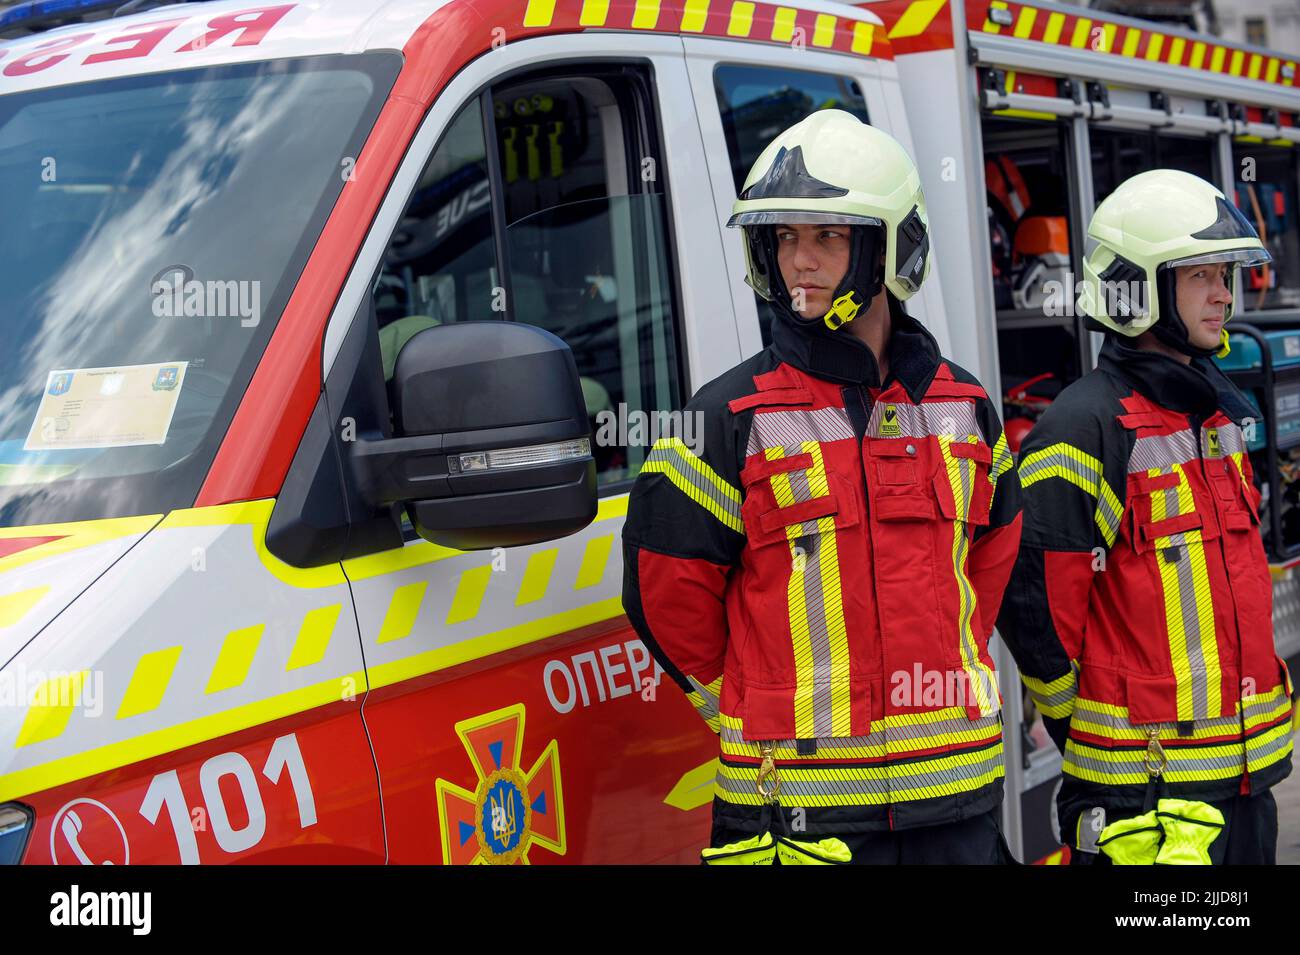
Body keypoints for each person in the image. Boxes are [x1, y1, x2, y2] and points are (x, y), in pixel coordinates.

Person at [620, 110, 1022, 865]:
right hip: (796, 816)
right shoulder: (720, 419)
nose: (800, 260)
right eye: (785, 238)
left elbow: (990, 563)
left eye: (828, 236)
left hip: (955, 809)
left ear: (888, 247)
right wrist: (754, 704)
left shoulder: (964, 408)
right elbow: (664, 594)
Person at [998, 169, 1294, 865]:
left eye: (1225, 274)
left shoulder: (1212, 412)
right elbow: (1036, 609)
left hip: (1242, 788)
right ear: (1137, 288)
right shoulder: (1083, 427)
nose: (1225, 293)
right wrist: (1097, 737)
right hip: (1145, 807)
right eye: (1201, 276)